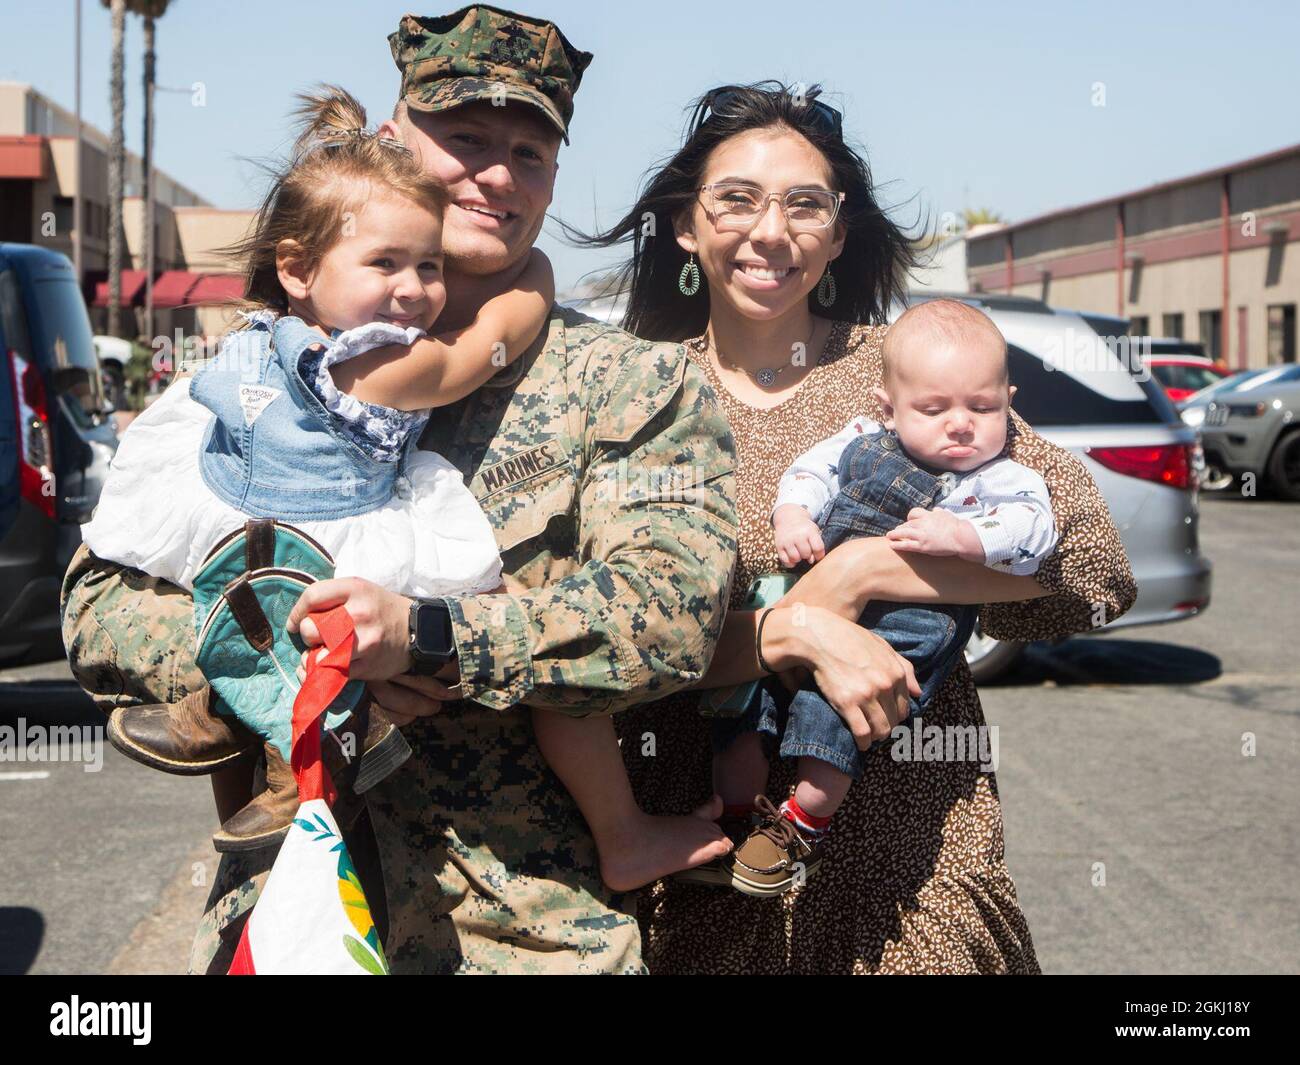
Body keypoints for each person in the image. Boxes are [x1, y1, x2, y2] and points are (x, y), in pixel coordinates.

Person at [61, 6, 739, 974]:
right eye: (463, 138)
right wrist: (303, 653)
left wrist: (427, 640)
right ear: (392, 143)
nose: (496, 174)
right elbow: (95, 603)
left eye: (530, 154)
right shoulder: (263, 366)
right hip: (294, 918)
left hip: (526, 933)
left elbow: (668, 616)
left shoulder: (632, 385)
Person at [583, 82, 1135, 972]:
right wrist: (795, 623)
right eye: (737, 199)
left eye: (806, 204)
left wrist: (866, 571)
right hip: (704, 863)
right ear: (686, 225)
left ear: (839, 234)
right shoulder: (632, 397)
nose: (772, 231)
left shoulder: (913, 363)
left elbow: (1090, 564)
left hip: (915, 862)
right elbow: (603, 645)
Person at [706, 297, 1059, 896]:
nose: (961, 424)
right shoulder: (861, 438)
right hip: (793, 618)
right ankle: (736, 818)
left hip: (899, 631)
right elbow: (811, 472)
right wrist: (793, 515)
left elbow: (1040, 534)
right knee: (744, 706)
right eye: (933, 408)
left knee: (837, 716)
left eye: (983, 406)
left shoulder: (1003, 476)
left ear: (1009, 404)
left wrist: (965, 535)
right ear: (887, 408)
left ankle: (803, 823)